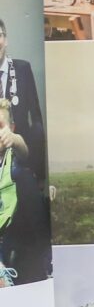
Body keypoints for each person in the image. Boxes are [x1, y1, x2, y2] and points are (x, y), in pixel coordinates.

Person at [0, 19, 50, 285]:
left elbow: (35, 118)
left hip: (18, 153)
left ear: (5, 39)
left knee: (24, 180)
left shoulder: (21, 69)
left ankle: (40, 263)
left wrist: (35, 164)